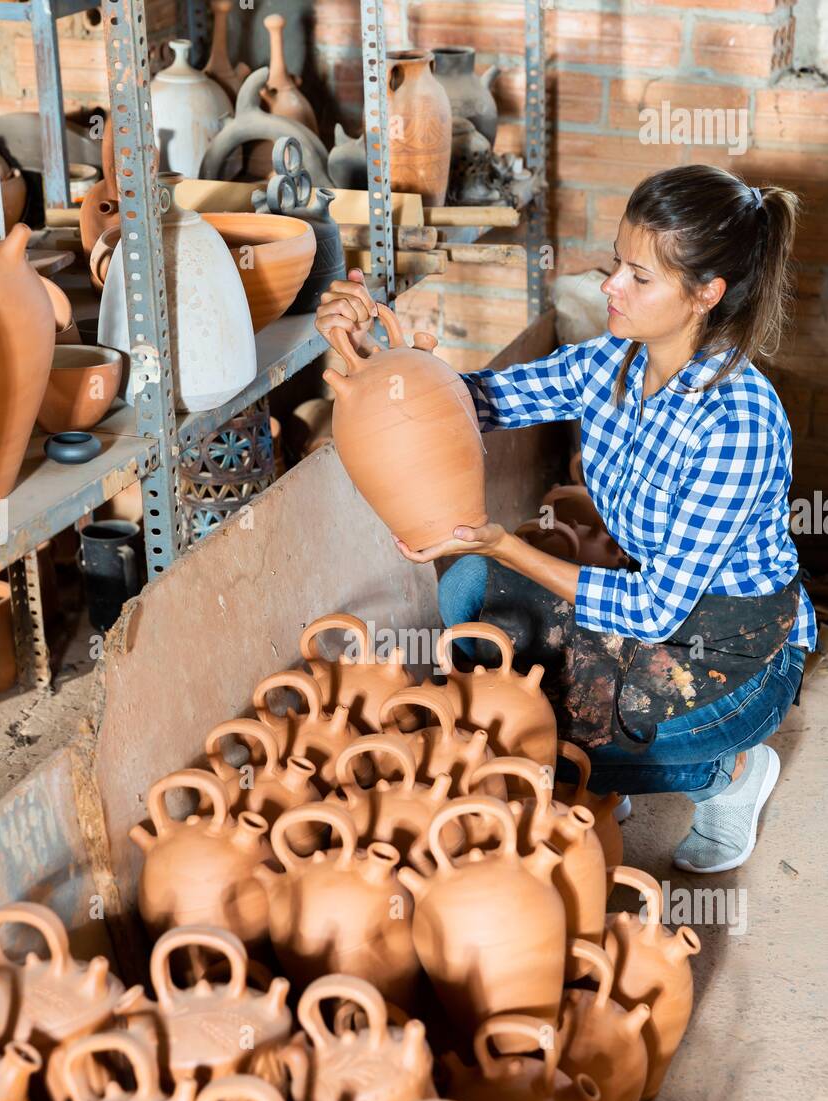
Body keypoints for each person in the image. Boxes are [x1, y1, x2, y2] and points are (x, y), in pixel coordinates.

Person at [314, 166, 816, 873]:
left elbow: (657, 608)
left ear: (706, 294)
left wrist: (504, 545)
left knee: (541, 734)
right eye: (616, 265)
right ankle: (601, 762)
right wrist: (368, 359)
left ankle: (729, 777)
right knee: (469, 601)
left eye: (639, 278)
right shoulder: (613, 359)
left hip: (736, 645)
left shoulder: (738, 419)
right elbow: (461, 405)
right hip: (652, 604)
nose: (609, 287)